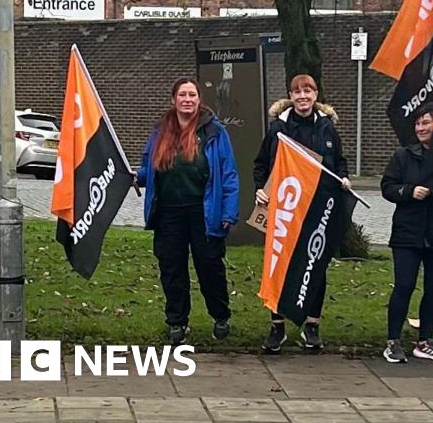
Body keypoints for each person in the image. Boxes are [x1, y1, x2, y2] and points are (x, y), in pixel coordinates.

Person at [136, 78, 240, 345]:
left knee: (209, 266)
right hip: (169, 213)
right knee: (172, 269)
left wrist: (229, 212)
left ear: (199, 99)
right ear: (174, 100)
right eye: (182, 95)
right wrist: (138, 176)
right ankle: (177, 322)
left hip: (204, 212)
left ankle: (220, 316)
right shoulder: (160, 131)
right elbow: (150, 168)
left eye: (192, 95)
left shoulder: (214, 132)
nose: (187, 99)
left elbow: (228, 174)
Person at [254, 74, 350, 353]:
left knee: (314, 264)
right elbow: (261, 165)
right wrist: (260, 189)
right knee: (278, 264)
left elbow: (339, 162)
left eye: (308, 91)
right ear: (290, 96)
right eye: (297, 92)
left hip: (318, 207)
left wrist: (343, 178)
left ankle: (312, 325)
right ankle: (277, 327)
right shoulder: (277, 129)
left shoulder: (327, 129)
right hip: (285, 208)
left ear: (316, 95)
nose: (303, 96)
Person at [380, 103, 433, 363]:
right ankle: (393, 341)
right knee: (404, 285)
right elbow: (388, 187)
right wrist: (409, 191)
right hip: (408, 233)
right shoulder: (403, 156)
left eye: (427, 122)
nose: (422, 128)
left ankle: (425, 340)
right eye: (418, 123)